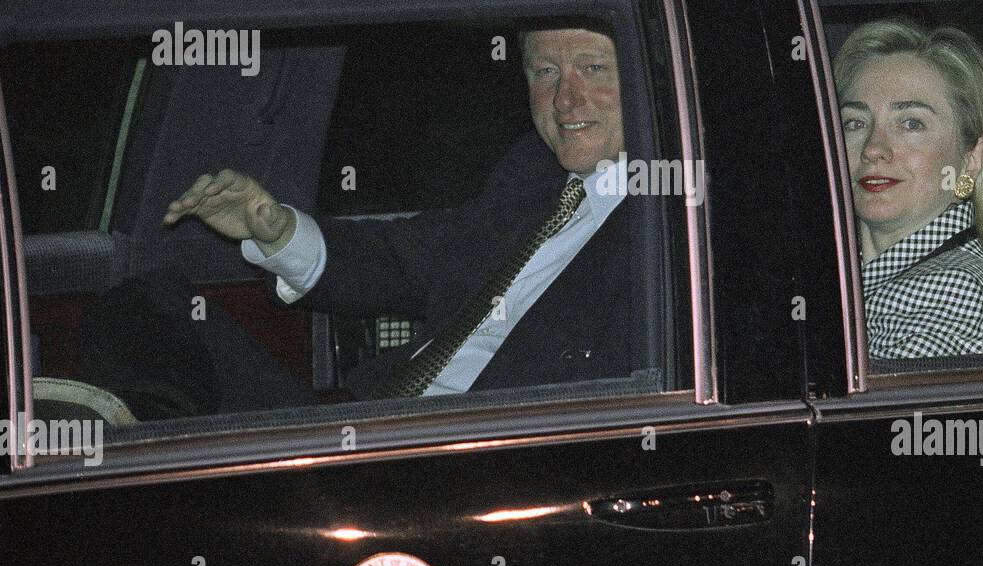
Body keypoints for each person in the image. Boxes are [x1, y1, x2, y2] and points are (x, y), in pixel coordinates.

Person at [75, 25, 634, 417]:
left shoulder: (670, 225)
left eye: (593, 68)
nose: (566, 98)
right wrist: (274, 229)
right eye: (545, 70)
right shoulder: (533, 172)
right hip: (372, 419)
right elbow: (404, 258)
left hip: (460, 463)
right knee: (153, 302)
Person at [833, 17, 983, 359]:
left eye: (911, 123)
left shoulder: (959, 294)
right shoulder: (855, 270)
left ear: (971, 158)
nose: (873, 148)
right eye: (855, 122)